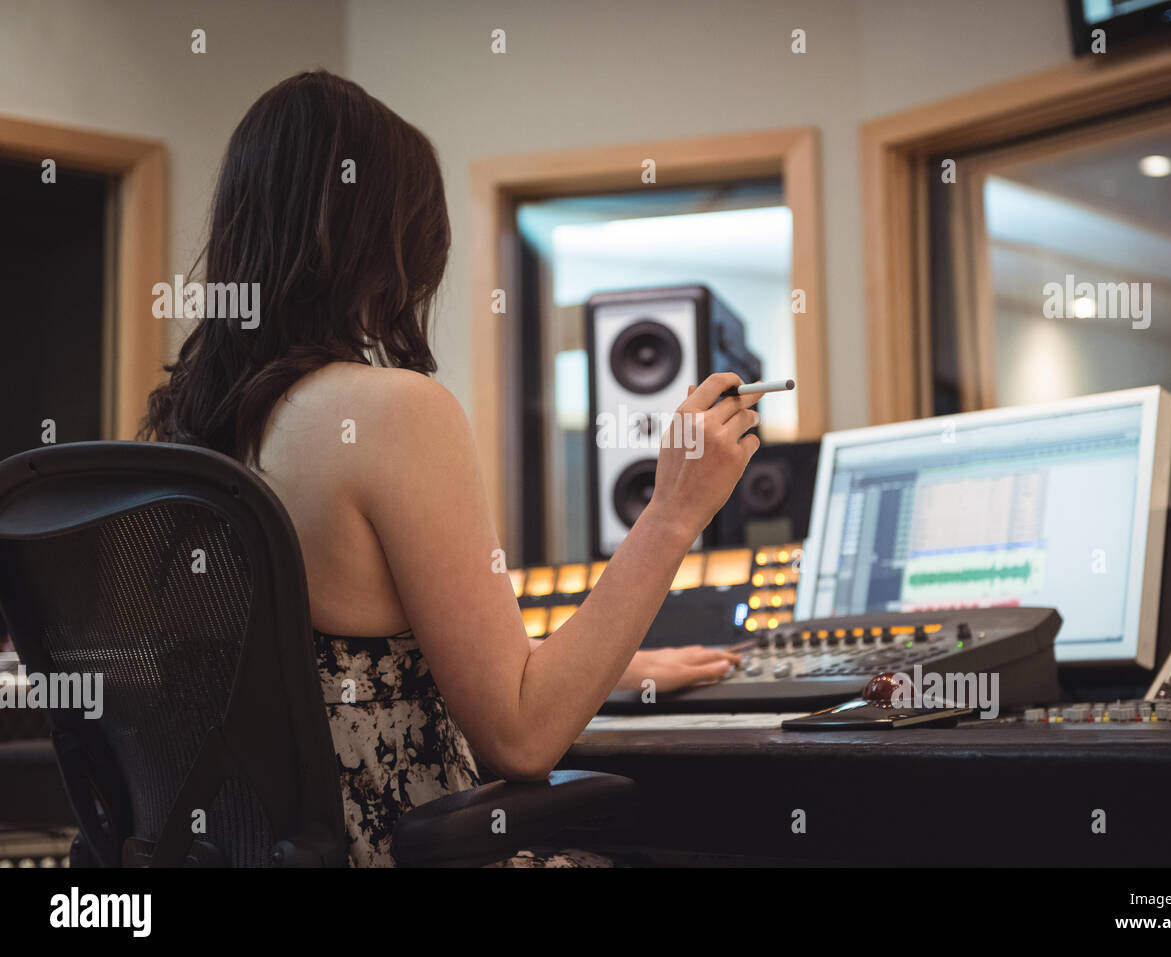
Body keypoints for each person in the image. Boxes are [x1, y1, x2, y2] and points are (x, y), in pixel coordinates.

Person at [141, 71, 760, 866]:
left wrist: (603, 664)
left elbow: (347, 682)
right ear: (389, 242)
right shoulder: (396, 411)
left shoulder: (190, 438)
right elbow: (523, 736)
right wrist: (675, 510)